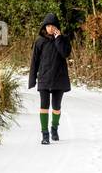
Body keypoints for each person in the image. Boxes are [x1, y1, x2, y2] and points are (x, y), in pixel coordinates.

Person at [28, 13, 71, 145]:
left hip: (59, 78)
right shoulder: (39, 41)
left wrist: (58, 38)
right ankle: (45, 134)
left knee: (56, 107)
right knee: (44, 106)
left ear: (57, 27)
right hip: (44, 78)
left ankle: (54, 129)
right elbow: (34, 61)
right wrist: (32, 79)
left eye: (53, 26)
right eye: (48, 26)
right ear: (44, 27)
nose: (50, 28)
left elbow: (65, 53)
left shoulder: (63, 39)